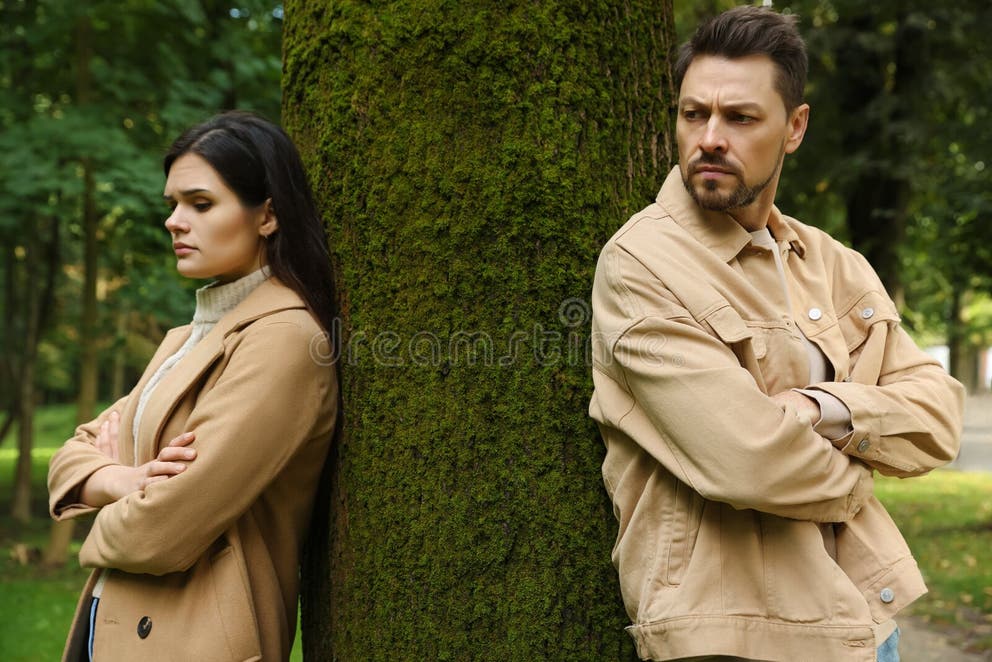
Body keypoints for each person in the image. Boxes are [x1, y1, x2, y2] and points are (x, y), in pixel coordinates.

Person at [588, 7, 963, 662]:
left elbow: (940, 414)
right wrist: (860, 475)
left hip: (862, 626)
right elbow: (748, 458)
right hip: (733, 634)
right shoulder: (641, 264)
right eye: (692, 113)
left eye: (739, 118)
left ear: (794, 127)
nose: (708, 138)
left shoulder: (831, 262)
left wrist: (821, 406)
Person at [48, 111, 339, 662]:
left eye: (200, 204)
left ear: (268, 216)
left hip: (196, 641)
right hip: (108, 628)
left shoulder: (284, 339)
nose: (174, 221)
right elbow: (72, 453)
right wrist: (122, 479)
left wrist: (102, 509)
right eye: (173, 205)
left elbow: (160, 531)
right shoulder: (189, 335)